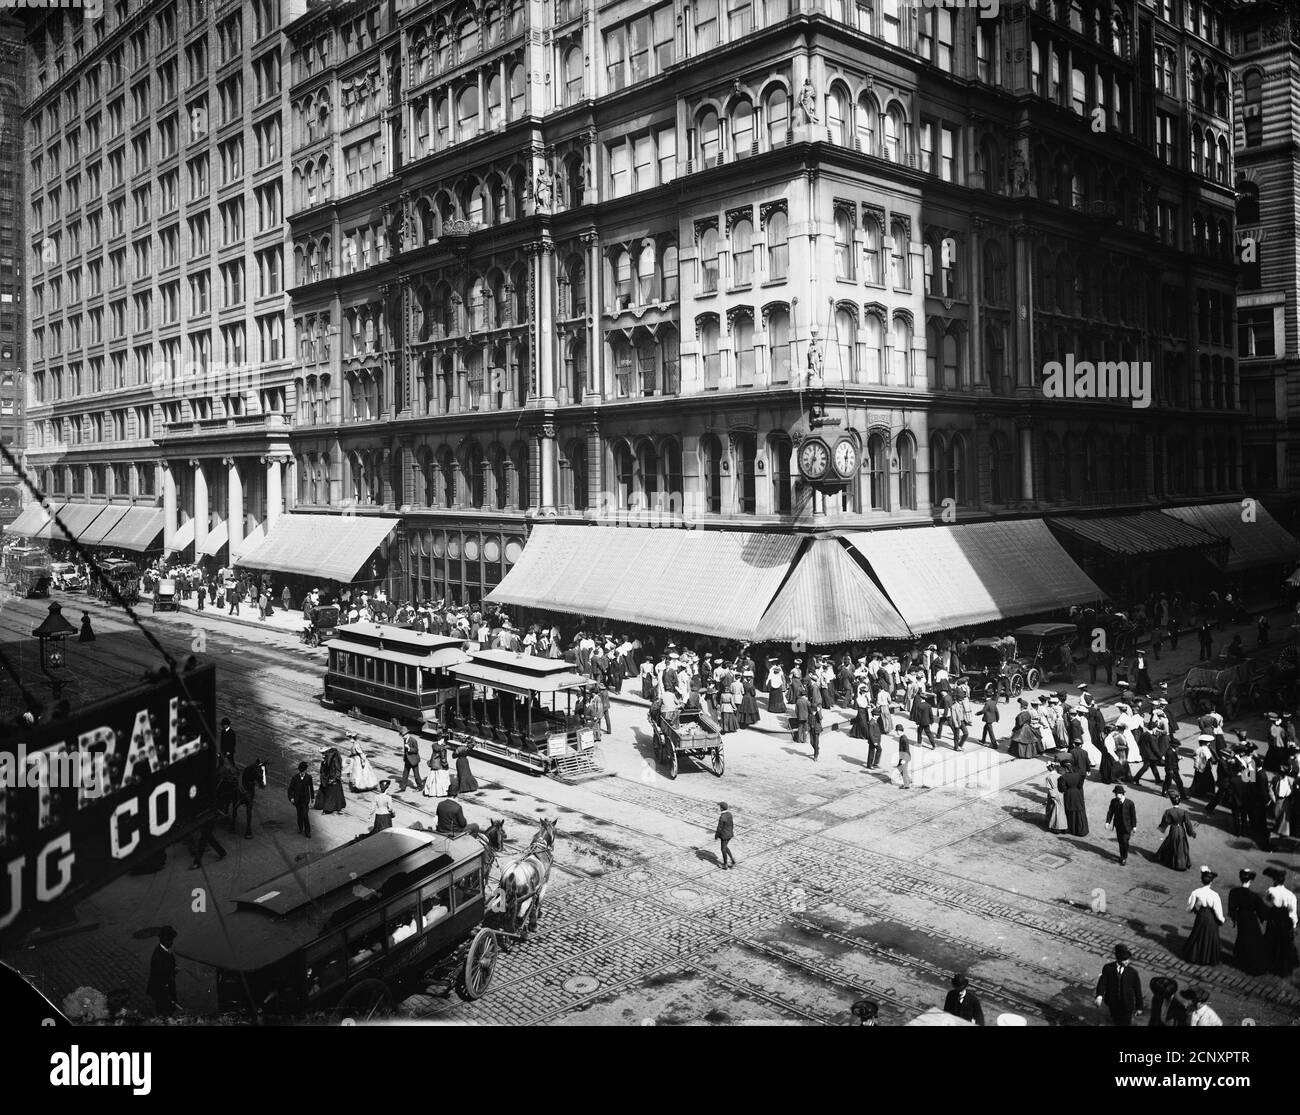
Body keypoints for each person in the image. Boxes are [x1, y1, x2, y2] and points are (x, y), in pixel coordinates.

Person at [1227, 868, 1268, 976]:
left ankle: (1240, 958)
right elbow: (1262, 911)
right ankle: (1250, 962)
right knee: (1254, 940)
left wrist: (1235, 918)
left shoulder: (1234, 892)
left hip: (1241, 917)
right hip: (1251, 919)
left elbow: (1231, 908)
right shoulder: (1254, 896)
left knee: (1242, 936)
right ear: (1250, 881)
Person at [1183, 867, 1225, 966]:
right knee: (1210, 937)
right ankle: (1207, 958)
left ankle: (1194, 956)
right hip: (1211, 917)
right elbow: (1218, 911)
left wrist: (1195, 908)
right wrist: (1221, 920)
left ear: (1202, 880)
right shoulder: (1215, 895)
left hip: (1200, 915)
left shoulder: (1196, 892)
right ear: (1211, 882)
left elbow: (1189, 908)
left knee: (1197, 934)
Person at [1262, 867, 1299, 977]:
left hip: (1274, 917)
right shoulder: (1290, 895)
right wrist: (1294, 924)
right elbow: (1292, 912)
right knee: (1283, 943)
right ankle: (1281, 967)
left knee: (1271, 940)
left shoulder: (1270, 890)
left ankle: (1269, 964)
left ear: (1275, 880)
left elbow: (1267, 900)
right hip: (1284, 919)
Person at [1095, 943, 1144, 1026]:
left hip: (1127, 1005)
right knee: (1115, 1020)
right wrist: (1099, 996)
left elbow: (1137, 990)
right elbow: (1103, 983)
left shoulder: (1132, 972)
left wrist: (1139, 1007)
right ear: (1118, 959)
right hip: (1113, 1003)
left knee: (1126, 1023)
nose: (1127, 962)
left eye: (1128, 959)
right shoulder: (1108, 968)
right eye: (1124, 960)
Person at [1156, 793, 1196, 871]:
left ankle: (1171, 862)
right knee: (1182, 846)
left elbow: (1165, 822)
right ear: (1179, 802)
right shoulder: (1184, 812)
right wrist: (1192, 833)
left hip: (1173, 829)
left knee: (1172, 844)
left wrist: (1162, 828)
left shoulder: (1169, 811)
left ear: (1172, 802)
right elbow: (1188, 824)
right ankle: (1182, 863)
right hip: (1181, 830)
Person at [147, 926, 179, 1017]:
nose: (171, 942)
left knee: (166, 1006)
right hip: (162, 987)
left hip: (165, 985)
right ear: (163, 940)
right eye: (169, 940)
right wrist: (173, 971)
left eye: (171, 940)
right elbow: (161, 974)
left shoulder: (164, 950)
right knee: (164, 1006)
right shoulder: (158, 955)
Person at [1105, 784, 1138, 866]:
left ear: (1122, 793)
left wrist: (1134, 826)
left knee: (1125, 841)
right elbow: (1110, 812)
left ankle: (1124, 857)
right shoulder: (1114, 801)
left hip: (1127, 827)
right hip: (1118, 826)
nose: (1116, 795)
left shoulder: (1130, 803)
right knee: (1120, 842)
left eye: (1118, 793)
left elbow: (1133, 816)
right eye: (1115, 793)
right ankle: (1122, 856)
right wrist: (1107, 822)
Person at [1059, 760, 1089, 836]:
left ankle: (1071, 829)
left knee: (1070, 812)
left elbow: (1062, 789)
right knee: (1079, 811)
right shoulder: (1078, 775)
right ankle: (1081, 829)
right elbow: (1080, 785)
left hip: (1069, 795)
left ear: (1065, 768)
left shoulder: (1063, 777)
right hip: (1078, 794)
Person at [316, 747, 346, 814]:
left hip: (332, 778)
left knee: (331, 793)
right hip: (330, 777)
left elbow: (336, 768)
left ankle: (328, 809)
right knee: (335, 793)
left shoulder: (333, 758)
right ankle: (336, 807)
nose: (323, 755)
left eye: (323, 753)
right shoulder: (330, 757)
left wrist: (334, 778)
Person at [288, 761, 314, 837]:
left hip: (305, 800)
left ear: (306, 770)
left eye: (303, 771)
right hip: (297, 800)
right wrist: (291, 797)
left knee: (305, 815)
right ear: (299, 770)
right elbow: (290, 789)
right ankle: (300, 827)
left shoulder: (309, 777)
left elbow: (311, 788)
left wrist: (312, 798)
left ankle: (307, 831)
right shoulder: (295, 778)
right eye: (301, 771)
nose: (302, 773)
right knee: (299, 814)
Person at [396, 725, 422, 792]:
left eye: (402, 735)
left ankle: (420, 787)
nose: (402, 737)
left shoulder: (413, 740)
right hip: (407, 760)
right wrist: (405, 758)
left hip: (414, 760)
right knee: (405, 774)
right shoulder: (405, 740)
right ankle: (403, 788)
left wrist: (409, 748)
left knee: (416, 775)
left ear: (406, 734)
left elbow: (416, 750)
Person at [1044, 763, 1067, 834]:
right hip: (1060, 793)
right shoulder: (1059, 775)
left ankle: (1055, 826)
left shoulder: (1048, 777)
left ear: (1049, 768)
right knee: (1061, 810)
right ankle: (1063, 826)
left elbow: (1049, 788)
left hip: (1053, 794)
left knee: (1054, 810)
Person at [715, 801, 736, 869]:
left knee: (723, 849)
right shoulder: (729, 814)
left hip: (724, 835)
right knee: (725, 847)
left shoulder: (722, 817)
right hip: (730, 834)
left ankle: (725, 864)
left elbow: (719, 828)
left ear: (721, 808)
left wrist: (716, 836)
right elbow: (731, 824)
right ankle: (732, 859)